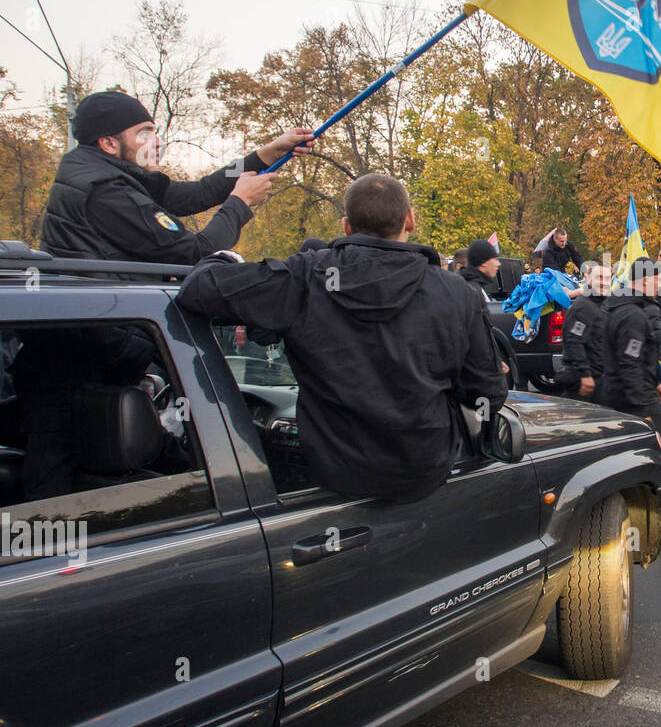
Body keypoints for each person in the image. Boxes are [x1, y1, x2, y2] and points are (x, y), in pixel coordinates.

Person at [177, 173, 506, 500]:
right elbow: (486, 393)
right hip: (422, 472)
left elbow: (198, 289)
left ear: (347, 226)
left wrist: (223, 257)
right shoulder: (457, 293)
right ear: (410, 219)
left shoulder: (305, 276)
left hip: (332, 472)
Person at [43, 90, 312, 265]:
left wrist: (263, 155)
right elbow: (195, 253)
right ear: (109, 144)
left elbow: (200, 192)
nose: (157, 142)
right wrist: (240, 202)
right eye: (144, 133)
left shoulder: (109, 176)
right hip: (118, 339)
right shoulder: (105, 192)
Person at [602, 257, 661, 546]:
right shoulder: (633, 315)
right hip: (634, 400)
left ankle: (636, 523)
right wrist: (642, 407)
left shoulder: (622, 306)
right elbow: (629, 363)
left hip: (631, 394)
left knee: (637, 464)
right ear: (644, 280)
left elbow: (632, 359)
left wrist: (656, 382)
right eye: (658, 279)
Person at [558, 261, 609, 401]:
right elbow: (573, 341)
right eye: (599, 278)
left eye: (607, 278)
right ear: (589, 280)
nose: (604, 282)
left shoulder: (602, 305)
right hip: (581, 381)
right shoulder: (583, 306)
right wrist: (585, 374)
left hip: (598, 379)